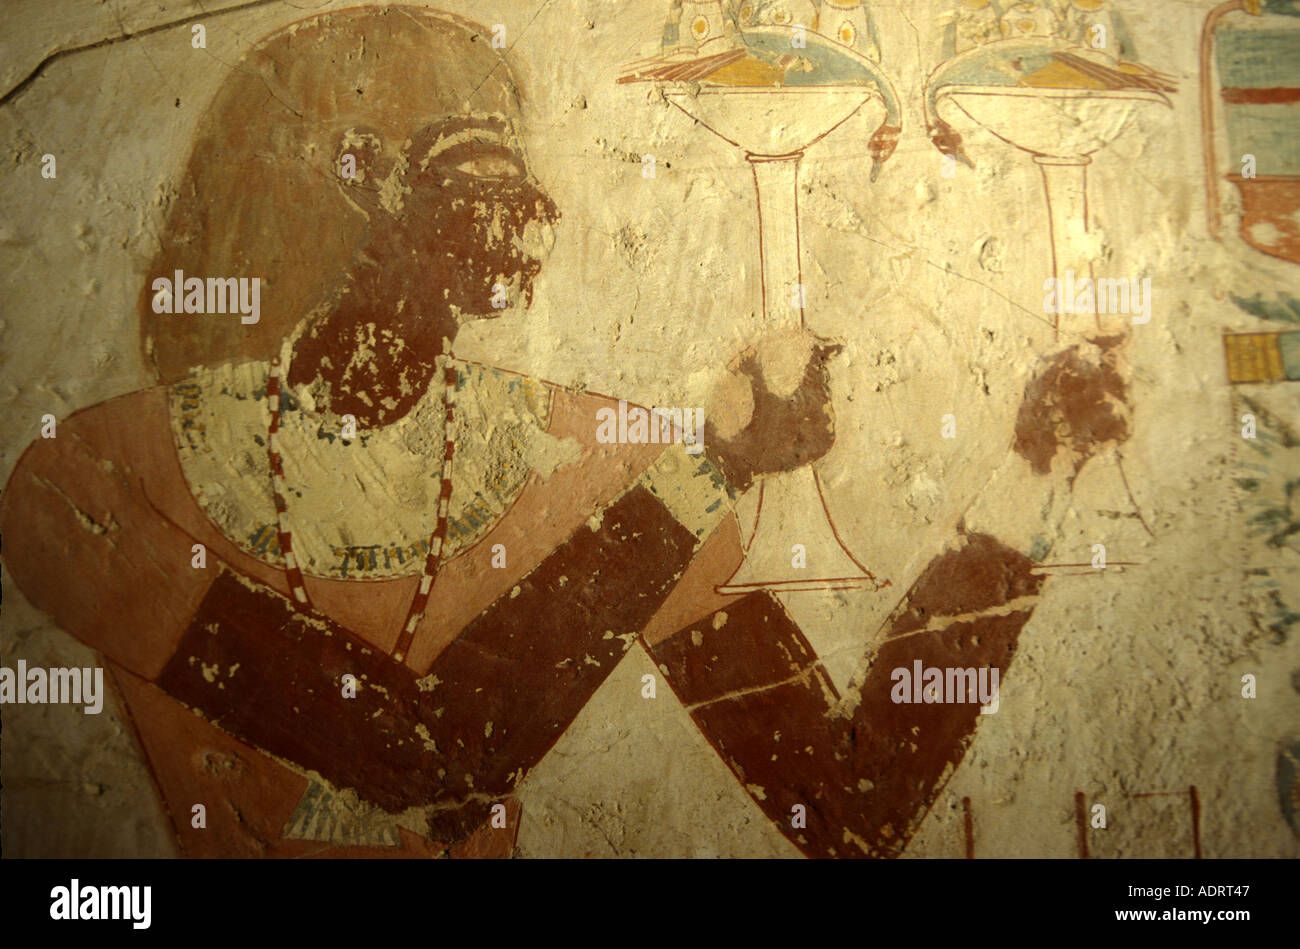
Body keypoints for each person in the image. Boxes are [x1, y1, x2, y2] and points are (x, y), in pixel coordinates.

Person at [1, 6, 1064, 858]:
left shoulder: (607, 459)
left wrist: (1031, 480)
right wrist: (712, 468)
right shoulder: (89, 479)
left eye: (502, 148)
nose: (514, 208)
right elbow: (435, 759)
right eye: (463, 156)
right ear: (352, 177)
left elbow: (846, 806)